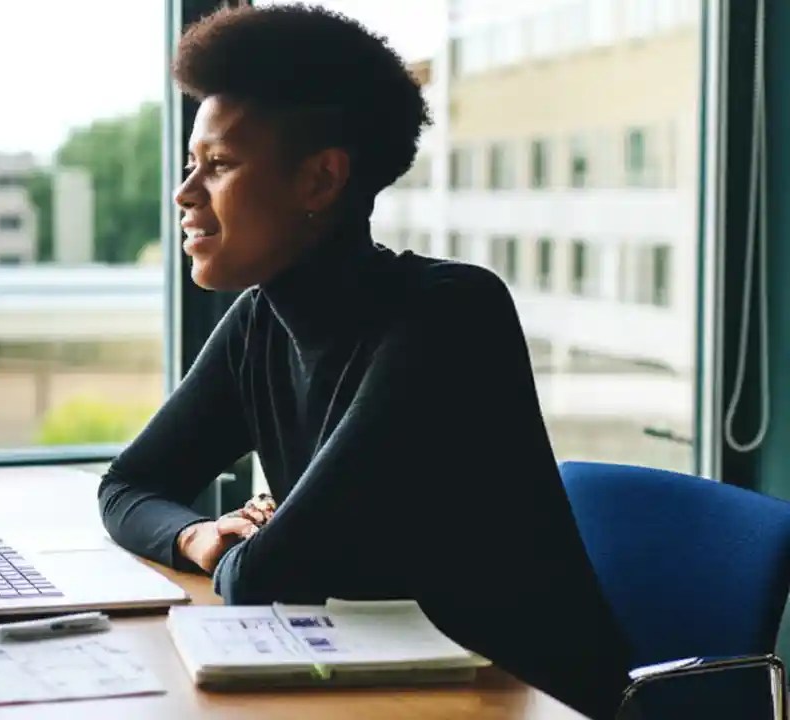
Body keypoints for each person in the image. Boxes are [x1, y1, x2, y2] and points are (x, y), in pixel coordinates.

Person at [96, 4, 635, 719]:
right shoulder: (260, 320)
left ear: (320, 181)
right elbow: (129, 486)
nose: (185, 194)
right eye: (192, 166)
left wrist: (261, 547)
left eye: (218, 166)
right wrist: (202, 534)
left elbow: (269, 577)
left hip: (513, 698)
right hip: (373, 681)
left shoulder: (449, 316)